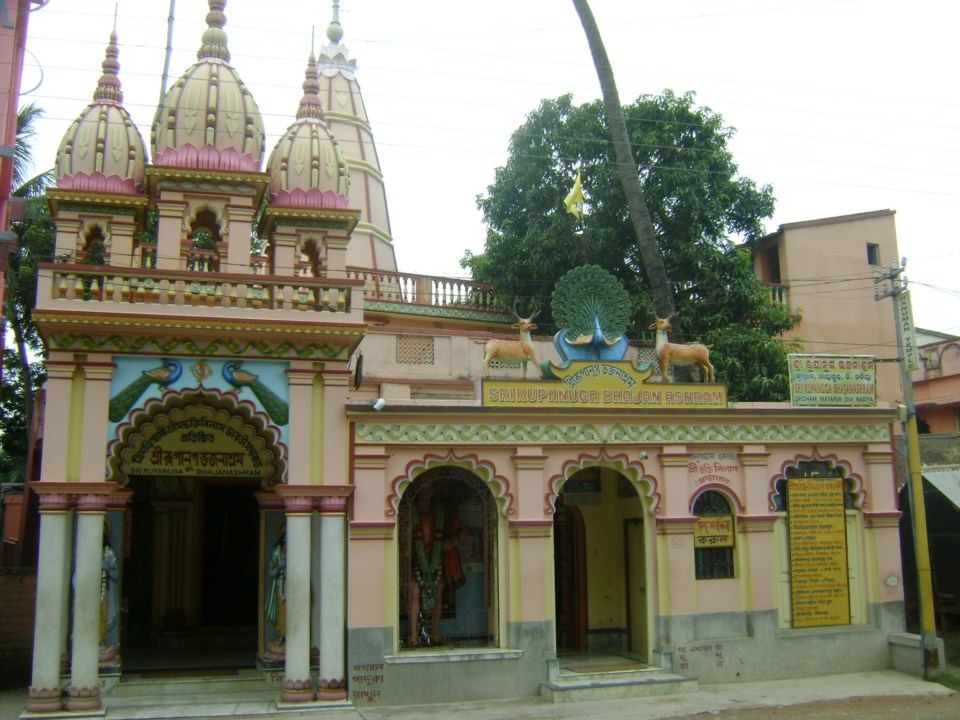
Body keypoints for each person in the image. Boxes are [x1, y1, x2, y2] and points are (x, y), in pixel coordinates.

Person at [406, 482, 467, 646]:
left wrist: (452, 541)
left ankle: (435, 636)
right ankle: (413, 638)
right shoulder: (407, 511)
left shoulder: (442, 513)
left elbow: (463, 531)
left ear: (434, 491)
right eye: (422, 489)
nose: (426, 493)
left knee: (437, 595)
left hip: (437, 561)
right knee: (414, 593)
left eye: (429, 489)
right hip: (415, 562)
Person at [99, 520, 119, 662]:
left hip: (104, 591)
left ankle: (100, 643)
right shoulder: (86, 550)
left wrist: (106, 568)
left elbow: (116, 575)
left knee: (102, 617)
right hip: (88, 594)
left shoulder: (108, 552)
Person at [265, 520, 286, 653]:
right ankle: (282, 636)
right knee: (282, 611)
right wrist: (280, 566)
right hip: (280, 585)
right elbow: (271, 571)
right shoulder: (277, 551)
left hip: (294, 585)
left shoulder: (298, 548)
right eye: (284, 528)